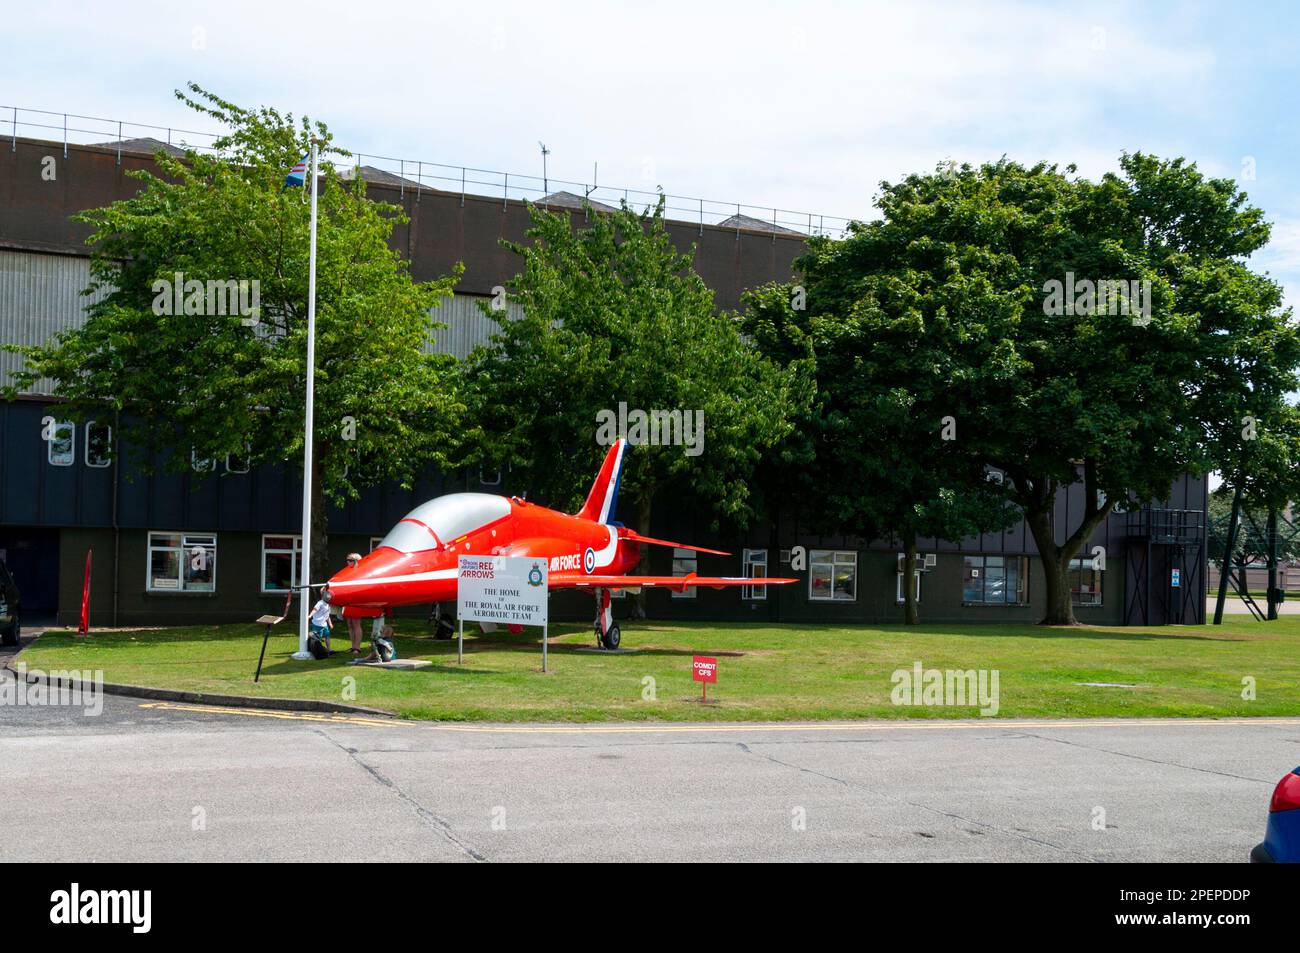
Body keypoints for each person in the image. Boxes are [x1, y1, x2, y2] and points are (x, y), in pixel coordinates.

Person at [343, 553, 364, 654]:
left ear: (356, 561)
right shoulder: (347, 571)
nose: (348, 562)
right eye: (347, 560)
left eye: (350, 560)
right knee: (350, 624)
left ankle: (357, 647)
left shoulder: (360, 571)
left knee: (356, 624)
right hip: (348, 601)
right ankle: (353, 646)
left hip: (356, 601)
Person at [309, 587, 334, 655]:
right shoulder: (320, 603)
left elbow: (327, 616)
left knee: (327, 636)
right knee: (317, 638)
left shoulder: (328, 605)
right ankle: (318, 649)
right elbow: (315, 609)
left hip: (324, 624)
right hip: (317, 624)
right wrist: (310, 615)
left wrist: (330, 623)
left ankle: (329, 649)